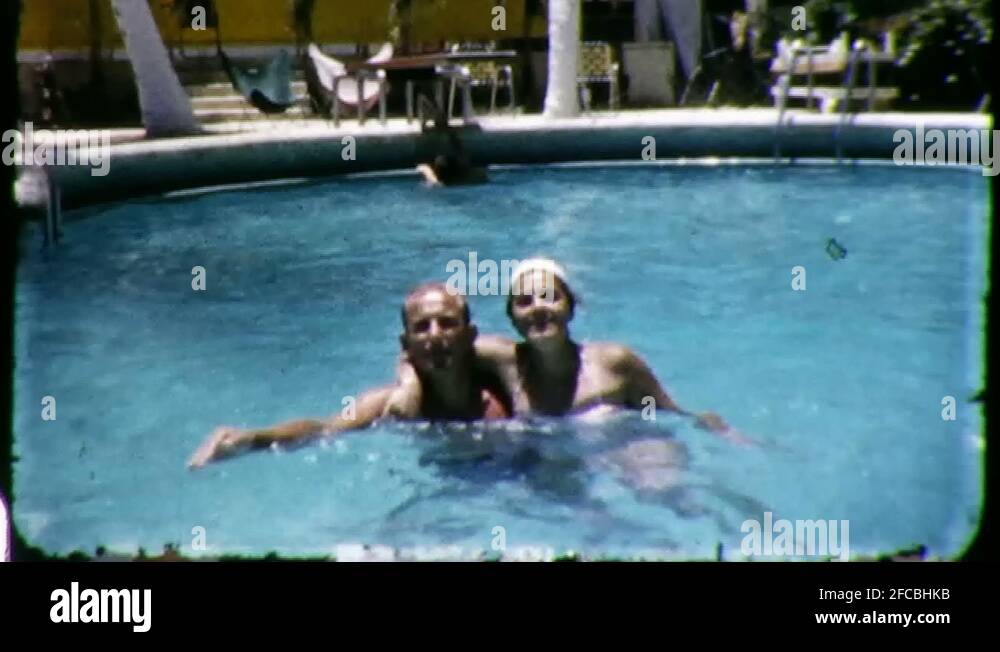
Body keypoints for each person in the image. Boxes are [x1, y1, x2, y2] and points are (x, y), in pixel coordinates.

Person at [187, 283, 510, 469]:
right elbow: (324, 428)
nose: (434, 336)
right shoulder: (384, 403)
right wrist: (254, 438)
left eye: (447, 323)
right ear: (406, 345)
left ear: (470, 336)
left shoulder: (505, 389)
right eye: (421, 327)